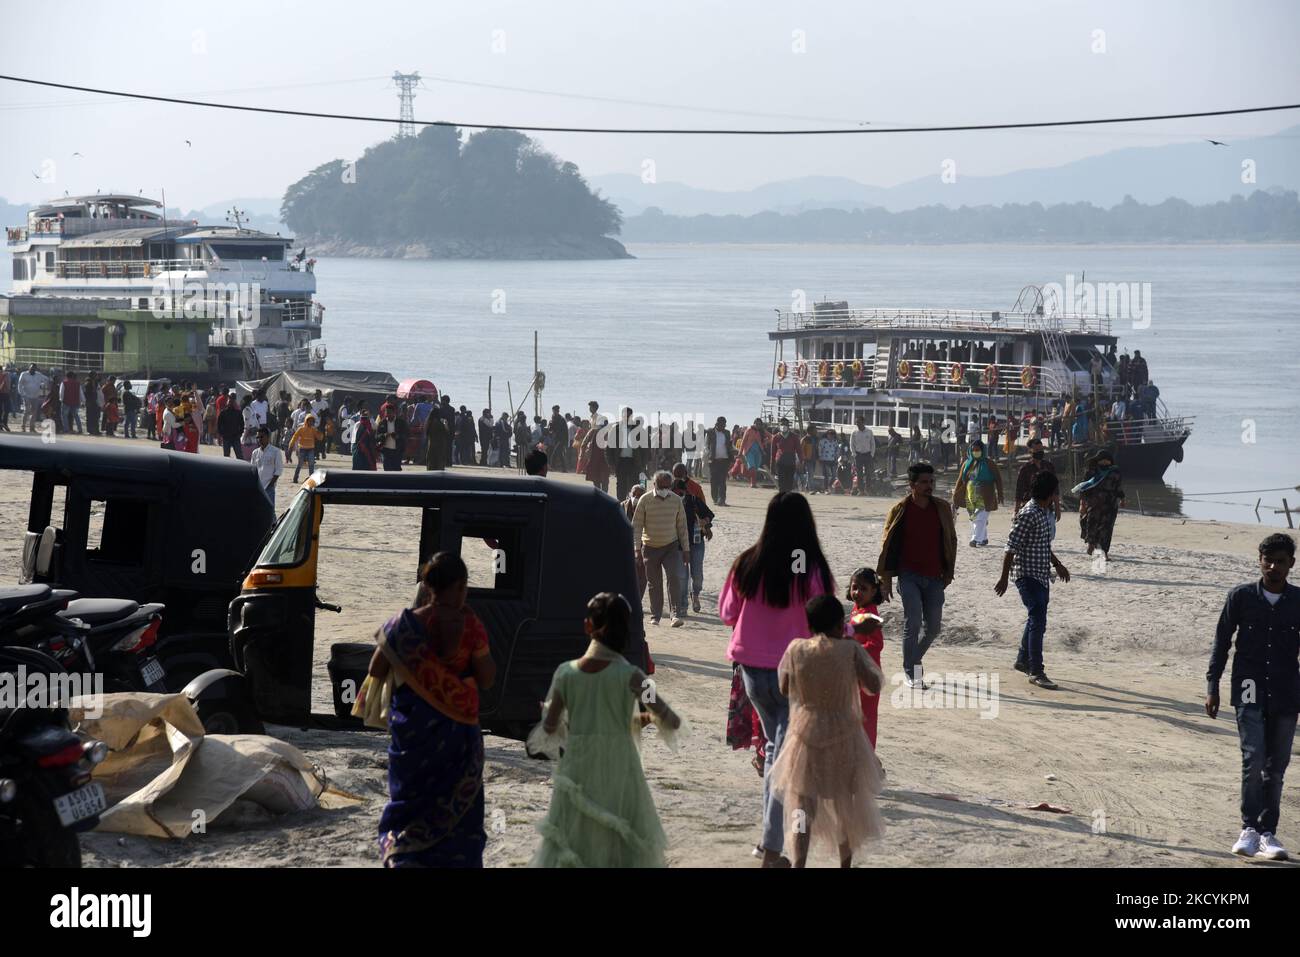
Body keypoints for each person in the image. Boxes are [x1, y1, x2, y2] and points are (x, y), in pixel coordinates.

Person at [352, 552, 496, 867]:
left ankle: (406, 857)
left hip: (415, 740)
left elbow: (376, 669)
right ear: (460, 586)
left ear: (428, 585)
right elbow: (487, 679)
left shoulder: (402, 626)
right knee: (462, 823)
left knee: (410, 808)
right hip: (459, 741)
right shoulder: (471, 626)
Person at [720, 492, 835, 868]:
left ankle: (768, 844)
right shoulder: (809, 568)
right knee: (782, 758)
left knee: (774, 750)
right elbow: (824, 616)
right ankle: (770, 848)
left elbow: (727, 613)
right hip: (795, 670)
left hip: (752, 670)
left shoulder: (747, 563)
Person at [528, 592, 680, 867]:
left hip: (578, 765)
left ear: (588, 626)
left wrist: (548, 711)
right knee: (618, 838)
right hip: (620, 765)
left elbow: (549, 727)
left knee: (575, 836)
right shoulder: (633, 675)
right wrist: (637, 721)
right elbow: (671, 719)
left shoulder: (566, 673)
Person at [769, 594, 884, 868]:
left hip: (806, 731)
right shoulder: (850, 650)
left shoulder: (797, 649)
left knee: (801, 805)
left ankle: (799, 863)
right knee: (844, 802)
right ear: (839, 624)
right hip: (845, 731)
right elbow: (874, 684)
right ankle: (844, 864)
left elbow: (784, 687)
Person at [1206, 533, 1299, 861]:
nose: (1273, 567)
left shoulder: (1298, 601)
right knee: (1253, 758)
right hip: (1248, 689)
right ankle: (1248, 829)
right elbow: (1221, 642)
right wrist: (1212, 686)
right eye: (1268, 560)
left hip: (1287, 694)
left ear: (1292, 564)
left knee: (1276, 768)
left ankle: (1267, 833)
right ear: (1259, 560)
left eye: (1281, 561)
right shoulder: (1241, 597)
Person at [876, 463, 957, 689]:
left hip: (934, 577)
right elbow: (887, 546)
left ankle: (914, 660)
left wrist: (948, 572)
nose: (929, 486)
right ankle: (912, 672)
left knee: (933, 628)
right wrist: (886, 579)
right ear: (911, 485)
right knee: (912, 622)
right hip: (908, 575)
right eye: (923, 482)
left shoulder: (941, 508)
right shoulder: (899, 510)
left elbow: (951, 540)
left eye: (931, 482)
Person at [995, 470, 1072, 689]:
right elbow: (1010, 547)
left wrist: (1057, 564)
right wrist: (1003, 579)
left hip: (1041, 574)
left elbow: (1043, 545)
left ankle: (1022, 660)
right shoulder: (1029, 513)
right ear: (1050, 493)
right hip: (1026, 574)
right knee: (1038, 619)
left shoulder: (1043, 513)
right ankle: (1036, 671)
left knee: (1036, 618)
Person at [632, 470, 689, 627]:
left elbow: (682, 526)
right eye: (661, 486)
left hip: (670, 546)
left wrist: (686, 550)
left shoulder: (676, 501)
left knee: (674, 578)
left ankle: (675, 614)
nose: (664, 490)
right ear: (654, 485)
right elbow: (636, 526)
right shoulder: (645, 500)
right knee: (654, 583)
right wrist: (637, 549)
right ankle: (656, 615)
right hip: (649, 547)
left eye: (667, 487)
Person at [671, 463, 714, 614]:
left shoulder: (695, 493)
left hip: (696, 540)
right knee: (682, 576)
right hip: (678, 543)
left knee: (697, 574)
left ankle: (695, 595)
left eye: (679, 474)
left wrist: (706, 525)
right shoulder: (668, 497)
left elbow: (706, 512)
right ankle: (683, 605)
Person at [1074, 450, 1124, 560]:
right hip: (1094, 503)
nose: (1105, 463)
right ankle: (1091, 544)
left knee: (1107, 528)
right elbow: (1084, 488)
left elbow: (1118, 488)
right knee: (1091, 524)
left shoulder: (1115, 472)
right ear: (1098, 460)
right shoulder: (1092, 472)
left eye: (1107, 460)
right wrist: (1082, 504)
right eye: (1103, 460)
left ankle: (1104, 552)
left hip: (1110, 505)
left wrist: (1122, 499)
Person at [953, 440, 1004, 547]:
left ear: (983, 450)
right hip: (970, 496)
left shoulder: (990, 463)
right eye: (973, 450)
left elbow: (998, 479)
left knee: (979, 517)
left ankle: (975, 539)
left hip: (986, 495)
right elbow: (960, 480)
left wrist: (1000, 494)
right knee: (974, 518)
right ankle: (983, 538)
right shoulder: (967, 464)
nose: (975, 452)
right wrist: (955, 496)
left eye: (978, 450)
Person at [605, 407, 650, 502]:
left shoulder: (639, 430)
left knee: (634, 485)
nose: (627, 417)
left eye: (629, 415)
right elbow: (608, 449)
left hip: (635, 462)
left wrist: (643, 464)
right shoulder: (615, 429)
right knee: (621, 485)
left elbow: (645, 449)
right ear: (622, 416)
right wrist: (611, 463)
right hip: (620, 462)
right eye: (625, 415)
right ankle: (621, 504)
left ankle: (632, 506)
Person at [1014, 437, 1060, 517]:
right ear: (1030, 452)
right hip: (1029, 509)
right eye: (1037, 450)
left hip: (1047, 509)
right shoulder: (1025, 469)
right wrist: (1016, 511)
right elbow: (1019, 491)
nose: (1040, 452)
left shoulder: (1049, 467)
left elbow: (1055, 489)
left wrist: (1057, 507)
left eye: (1041, 450)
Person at [702, 416, 735, 506]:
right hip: (714, 461)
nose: (723, 426)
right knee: (714, 481)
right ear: (717, 424)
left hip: (724, 460)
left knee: (722, 481)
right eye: (721, 424)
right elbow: (706, 446)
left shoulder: (727, 433)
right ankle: (715, 498)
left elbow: (729, 445)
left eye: (724, 425)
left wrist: (732, 455)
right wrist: (708, 455)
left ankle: (722, 500)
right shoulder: (710, 432)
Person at [249, 426, 284, 508]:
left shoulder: (276, 451)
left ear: (268, 437)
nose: (259, 439)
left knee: (270, 510)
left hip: (269, 486)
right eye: (258, 437)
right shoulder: (255, 453)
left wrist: (270, 485)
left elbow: (278, 470)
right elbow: (253, 470)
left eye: (262, 437)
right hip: (258, 486)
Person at [288, 413, 323, 483]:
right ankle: (295, 478)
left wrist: (320, 433)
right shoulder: (301, 429)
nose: (311, 422)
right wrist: (290, 445)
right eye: (309, 421)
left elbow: (320, 438)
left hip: (311, 449)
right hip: (302, 449)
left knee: (311, 465)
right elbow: (294, 437)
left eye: (312, 421)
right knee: (300, 464)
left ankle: (311, 480)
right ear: (306, 421)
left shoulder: (314, 430)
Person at [772, 418, 802, 493]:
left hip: (791, 462)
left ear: (788, 426)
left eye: (785, 424)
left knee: (789, 482)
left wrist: (801, 461)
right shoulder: (776, 437)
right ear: (779, 425)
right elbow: (773, 452)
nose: (784, 426)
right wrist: (772, 464)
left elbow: (799, 450)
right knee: (781, 482)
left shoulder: (794, 437)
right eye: (782, 424)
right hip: (780, 462)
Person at [376, 405, 408, 472]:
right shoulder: (382, 423)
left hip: (397, 451)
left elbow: (406, 435)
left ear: (394, 412)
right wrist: (384, 435)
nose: (388, 414)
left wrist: (398, 436)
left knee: (396, 470)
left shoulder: (401, 422)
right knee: (387, 470)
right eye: (386, 412)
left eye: (389, 412)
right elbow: (376, 437)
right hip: (385, 451)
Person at [850, 417, 876, 495]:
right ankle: (860, 490)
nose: (857, 424)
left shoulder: (869, 432)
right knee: (859, 474)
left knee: (868, 473)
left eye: (859, 422)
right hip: (858, 455)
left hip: (868, 454)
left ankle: (867, 489)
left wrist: (872, 454)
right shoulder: (854, 432)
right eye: (856, 422)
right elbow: (851, 444)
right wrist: (854, 454)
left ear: (863, 422)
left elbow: (872, 444)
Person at [351, 405, 378, 471]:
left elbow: (375, 428)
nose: (364, 419)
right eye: (363, 416)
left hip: (368, 449)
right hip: (358, 448)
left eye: (366, 416)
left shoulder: (370, 424)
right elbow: (354, 439)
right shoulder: (358, 424)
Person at [217, 394, 245, 459]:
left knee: (239, 455)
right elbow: (219, 424)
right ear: (227, 403)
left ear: (234, 403)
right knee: (226, 456)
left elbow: (242, 424)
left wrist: (240, 433)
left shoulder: (238, 413)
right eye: (229, 402)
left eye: (232, 402)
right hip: (226, 437)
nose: (231, 403)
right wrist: (221, 433)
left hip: (236, 437)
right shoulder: (223, 413)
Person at [59, 370, 83, 435]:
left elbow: (61, 393)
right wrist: (83, 401)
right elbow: (81, 393)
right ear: (72, 376)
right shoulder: (78, 383)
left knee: (64, 416)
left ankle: (66, 429)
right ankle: (80, 429)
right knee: (76, 416)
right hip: (75, 402)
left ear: (66, 376)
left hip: (66, 402)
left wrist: (61, 400)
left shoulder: (64, 383)